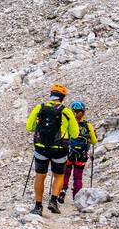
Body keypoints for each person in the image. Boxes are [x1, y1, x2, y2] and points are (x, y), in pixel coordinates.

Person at [25, 84, 79, 216]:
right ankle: (53, 201)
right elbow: (75, 133)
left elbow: (29, 127)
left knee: (40, 176)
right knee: (58, 175)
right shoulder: (66, 111)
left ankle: (38, 206)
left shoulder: (40, 107)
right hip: (59, 149)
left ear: (51, 95)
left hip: (41, 148)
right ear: (62, 97)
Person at [63, 101, 98, 202]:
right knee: (78, 178)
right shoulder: (88, 126)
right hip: (81, 155)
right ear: (83, 112)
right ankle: (76, 198)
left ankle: (62, 191)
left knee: (65, 174)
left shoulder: (68, 124)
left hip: (68, 153)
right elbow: (94, 141)